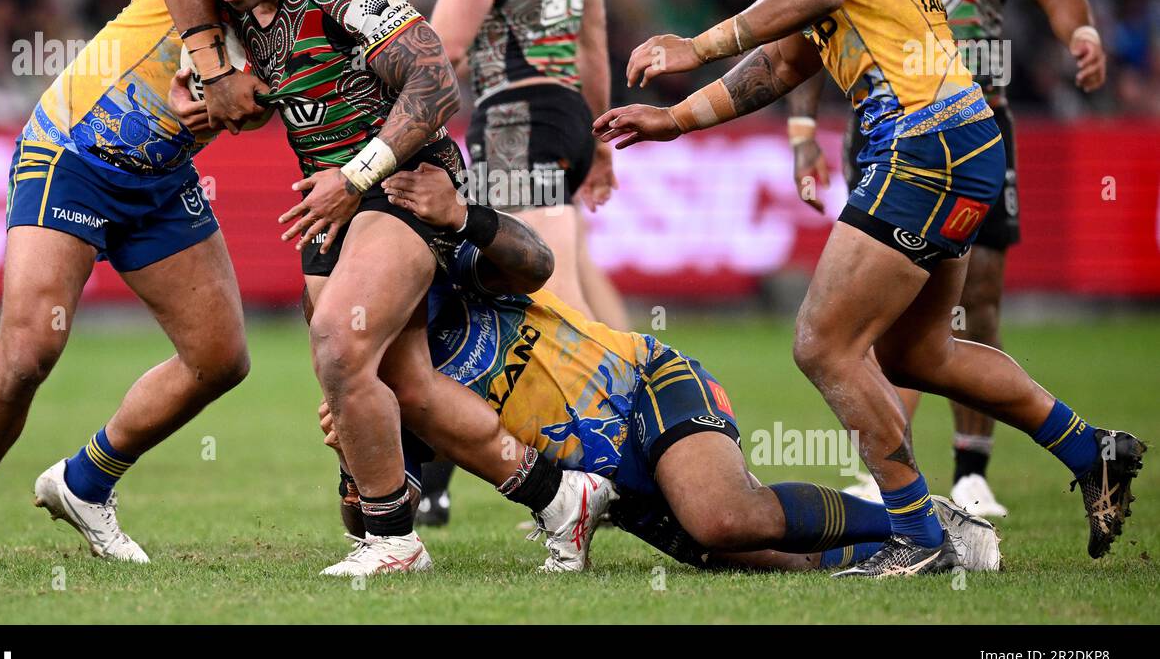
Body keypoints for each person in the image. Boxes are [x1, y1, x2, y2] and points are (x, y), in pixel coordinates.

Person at [593, 0, 1143, 576]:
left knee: (822, 342)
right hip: (963, 138)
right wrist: (675, 117)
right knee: (918, 353)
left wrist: (697, 42)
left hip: (923, 142)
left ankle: (918, 536)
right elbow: (786, 62)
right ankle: (1092, 450)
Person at [153, 0, 609, 576]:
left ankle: (396, 542)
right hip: (332, 203)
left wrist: (356, 175)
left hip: (402, 184)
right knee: (410, 391)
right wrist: (212, 75)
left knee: (340, 342)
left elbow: (435, 79)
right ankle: (562, 498)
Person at [319, 162, 1002, 574]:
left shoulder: (444, 271)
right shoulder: (379, 382)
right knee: (769, 554)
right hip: (614, 488)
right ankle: (915, 543)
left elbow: (536, 263)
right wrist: (356, 467)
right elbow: (385, 515)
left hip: (643, 384)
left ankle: (930, 526)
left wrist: (466, 216)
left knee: (723, 517)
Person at [784, 0, 1108, 518]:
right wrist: (803, 129)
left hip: (973, 118)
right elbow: (812, 20)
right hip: (885, 120)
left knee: (973, 299)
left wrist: (1082, 30)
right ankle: (901, 474)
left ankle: (968, 470)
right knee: (888, 316)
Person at [400, 0, 628, 523]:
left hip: (515, 117)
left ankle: (595, 481)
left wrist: (389, 114)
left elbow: (448, 44)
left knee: (545, 312)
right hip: (563, 113)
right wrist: (597, 136)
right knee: (574, 290)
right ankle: (436, 481)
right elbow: (593, 28)